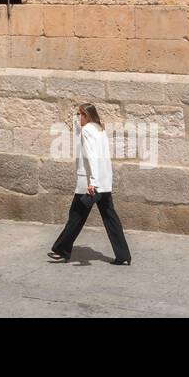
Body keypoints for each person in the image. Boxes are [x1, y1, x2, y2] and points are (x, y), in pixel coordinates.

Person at [48, 103, 132, 266]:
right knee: (110, 218)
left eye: (80, 114)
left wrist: (92, 182)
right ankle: (123, 255)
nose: (78, 118)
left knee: (76, 216)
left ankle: (61, 249)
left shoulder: (87, 131)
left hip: (89, 183)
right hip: (104, 182)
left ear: (86, 116)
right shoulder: (99, 130)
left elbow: (91, 157)